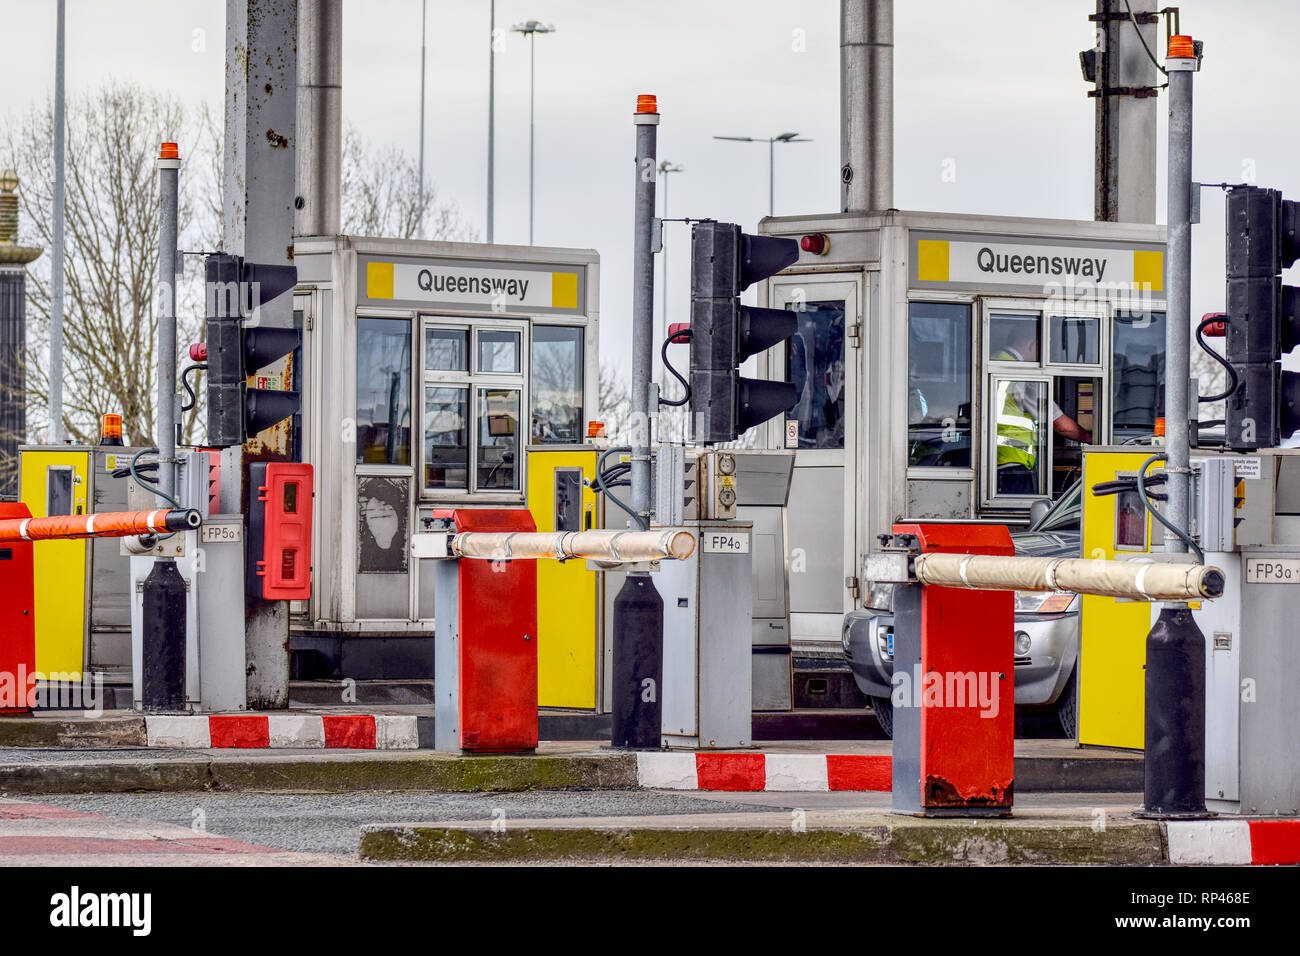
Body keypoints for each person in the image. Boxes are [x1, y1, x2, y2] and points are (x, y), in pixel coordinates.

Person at [992, 324, 1091, 495]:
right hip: (1013, 463)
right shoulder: (1024, 373)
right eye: (1042, 349)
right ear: (1032, 345)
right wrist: (1092, 438)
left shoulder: (995, 360)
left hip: (991, 460)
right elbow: (1061, 425)